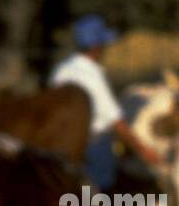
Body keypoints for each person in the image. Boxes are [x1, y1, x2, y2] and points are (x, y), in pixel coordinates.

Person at [49, 15, 161, 192]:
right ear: (96, 47)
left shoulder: (61, 71)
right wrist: (144, 151)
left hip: (62, 143)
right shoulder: (92, 75)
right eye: (103, 45)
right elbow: (115, 121)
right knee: (98, 192)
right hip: (94, 145)